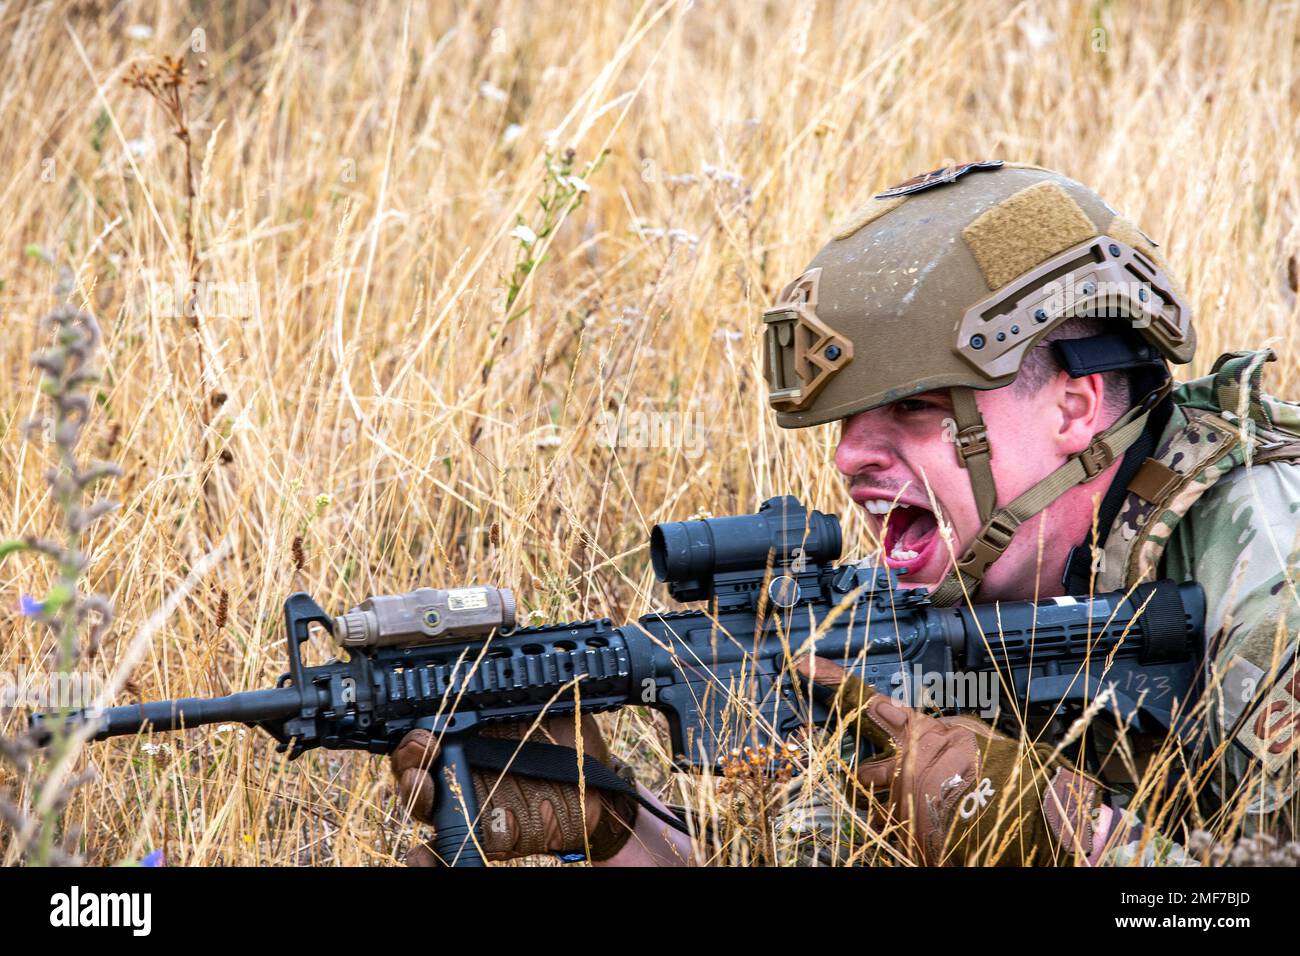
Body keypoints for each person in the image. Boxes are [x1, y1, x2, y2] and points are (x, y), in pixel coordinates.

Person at [392, 162, 1300, 866]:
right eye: (844, 424)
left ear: (1075, 406)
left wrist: (1052, 832)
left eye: (914, 409)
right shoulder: (932, 612)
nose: (849, 458)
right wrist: (610, 822)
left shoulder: (1272, 564)